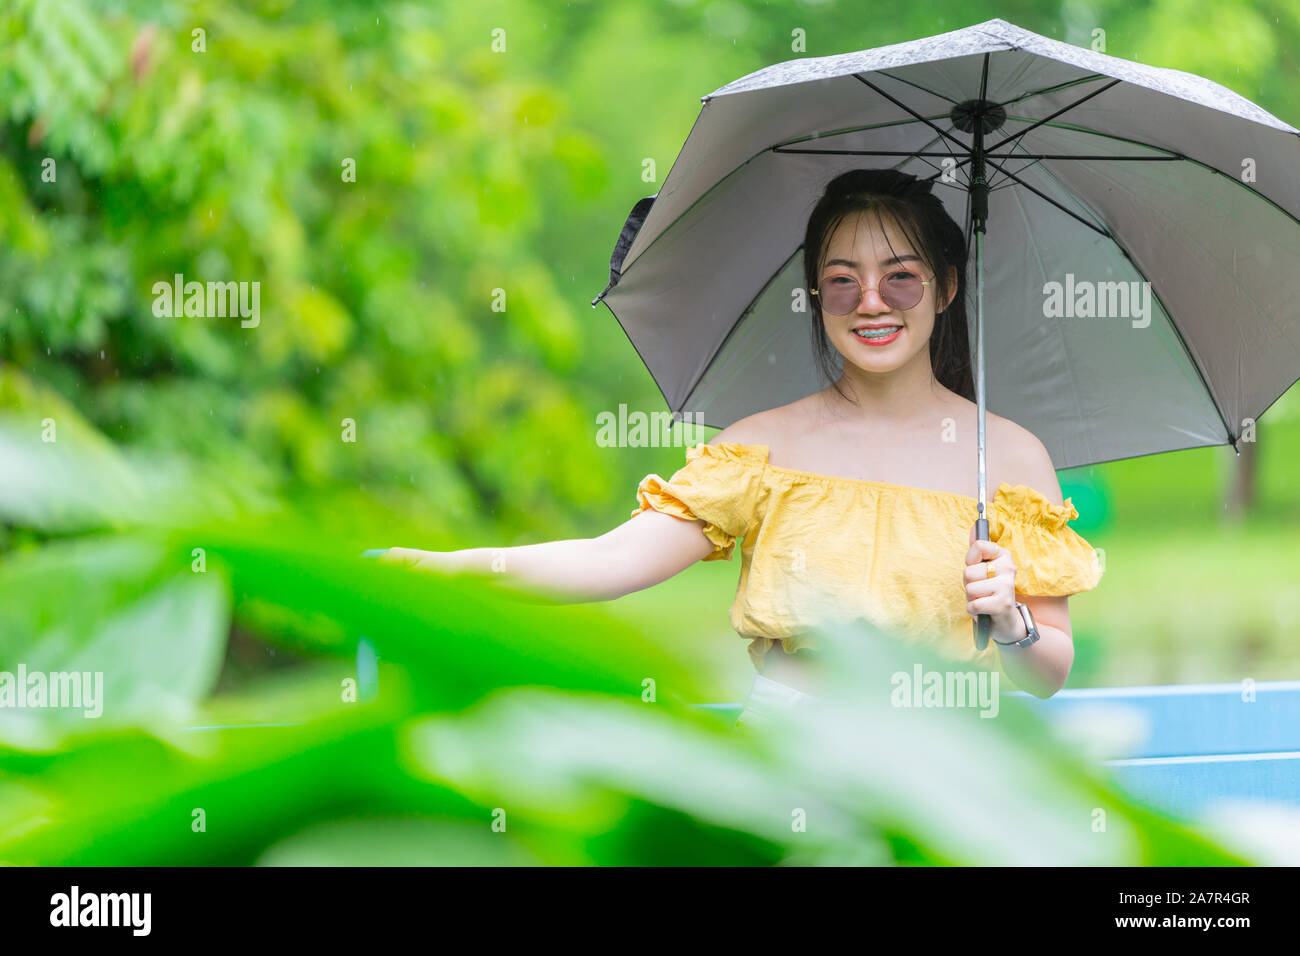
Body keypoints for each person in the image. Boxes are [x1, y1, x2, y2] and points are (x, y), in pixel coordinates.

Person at [381, 168, 1102, 718]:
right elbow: (607, 560)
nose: (872, 303)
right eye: (842, 281)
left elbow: (1048, 675)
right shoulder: (762, 451)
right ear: (816, 296)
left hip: (954, 764)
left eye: (901, 280)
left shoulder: (1007, 459)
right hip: (799, 764)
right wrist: (439, 570)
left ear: (946, 289)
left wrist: (1011, 619)